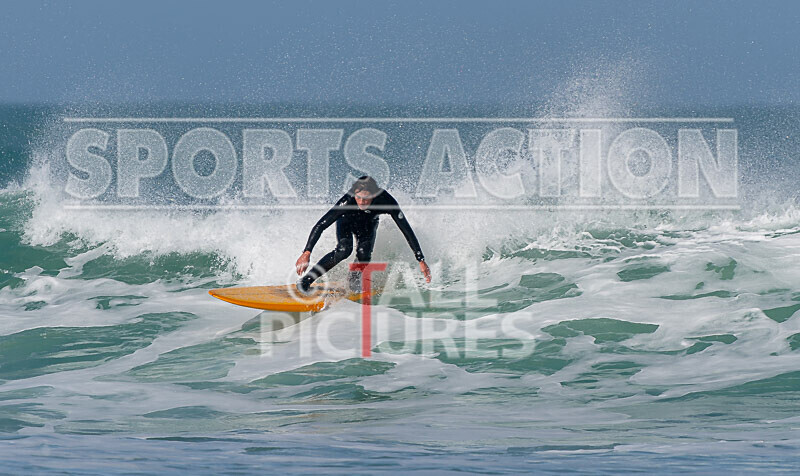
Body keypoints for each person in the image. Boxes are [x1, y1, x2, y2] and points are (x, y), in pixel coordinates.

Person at [295, 176, 431, 293]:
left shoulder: (386, 201)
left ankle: (353, 279)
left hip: (368, 225)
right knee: (344, 250)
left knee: (364, 254)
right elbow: (321, 225)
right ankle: (306, 281)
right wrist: (307, 252)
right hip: (346, 222)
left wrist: (420, 259)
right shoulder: (347, 202)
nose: (361, 202)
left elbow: (406, 229)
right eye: (358, 198)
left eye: (366, 199)